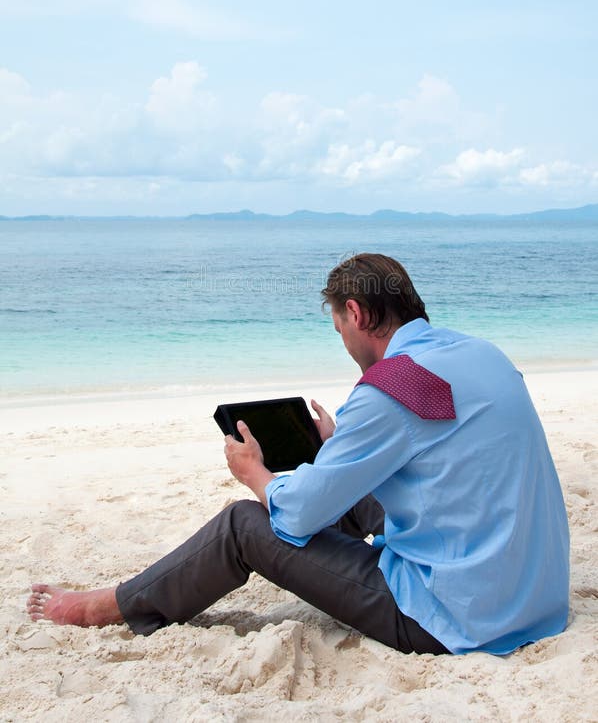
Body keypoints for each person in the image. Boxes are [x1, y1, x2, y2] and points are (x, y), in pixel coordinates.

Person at [27, 253, 570, 655]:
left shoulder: (390, 388)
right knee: (341, 489)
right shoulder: (483, 354)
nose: (344, 341)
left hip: (456, 618)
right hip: (535, 599)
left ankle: (107, 606)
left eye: (338, 328)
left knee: (244, 524)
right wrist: (340, 448)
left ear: (355, 313)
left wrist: (255, 474)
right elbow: (440, 447)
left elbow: (299, 514)